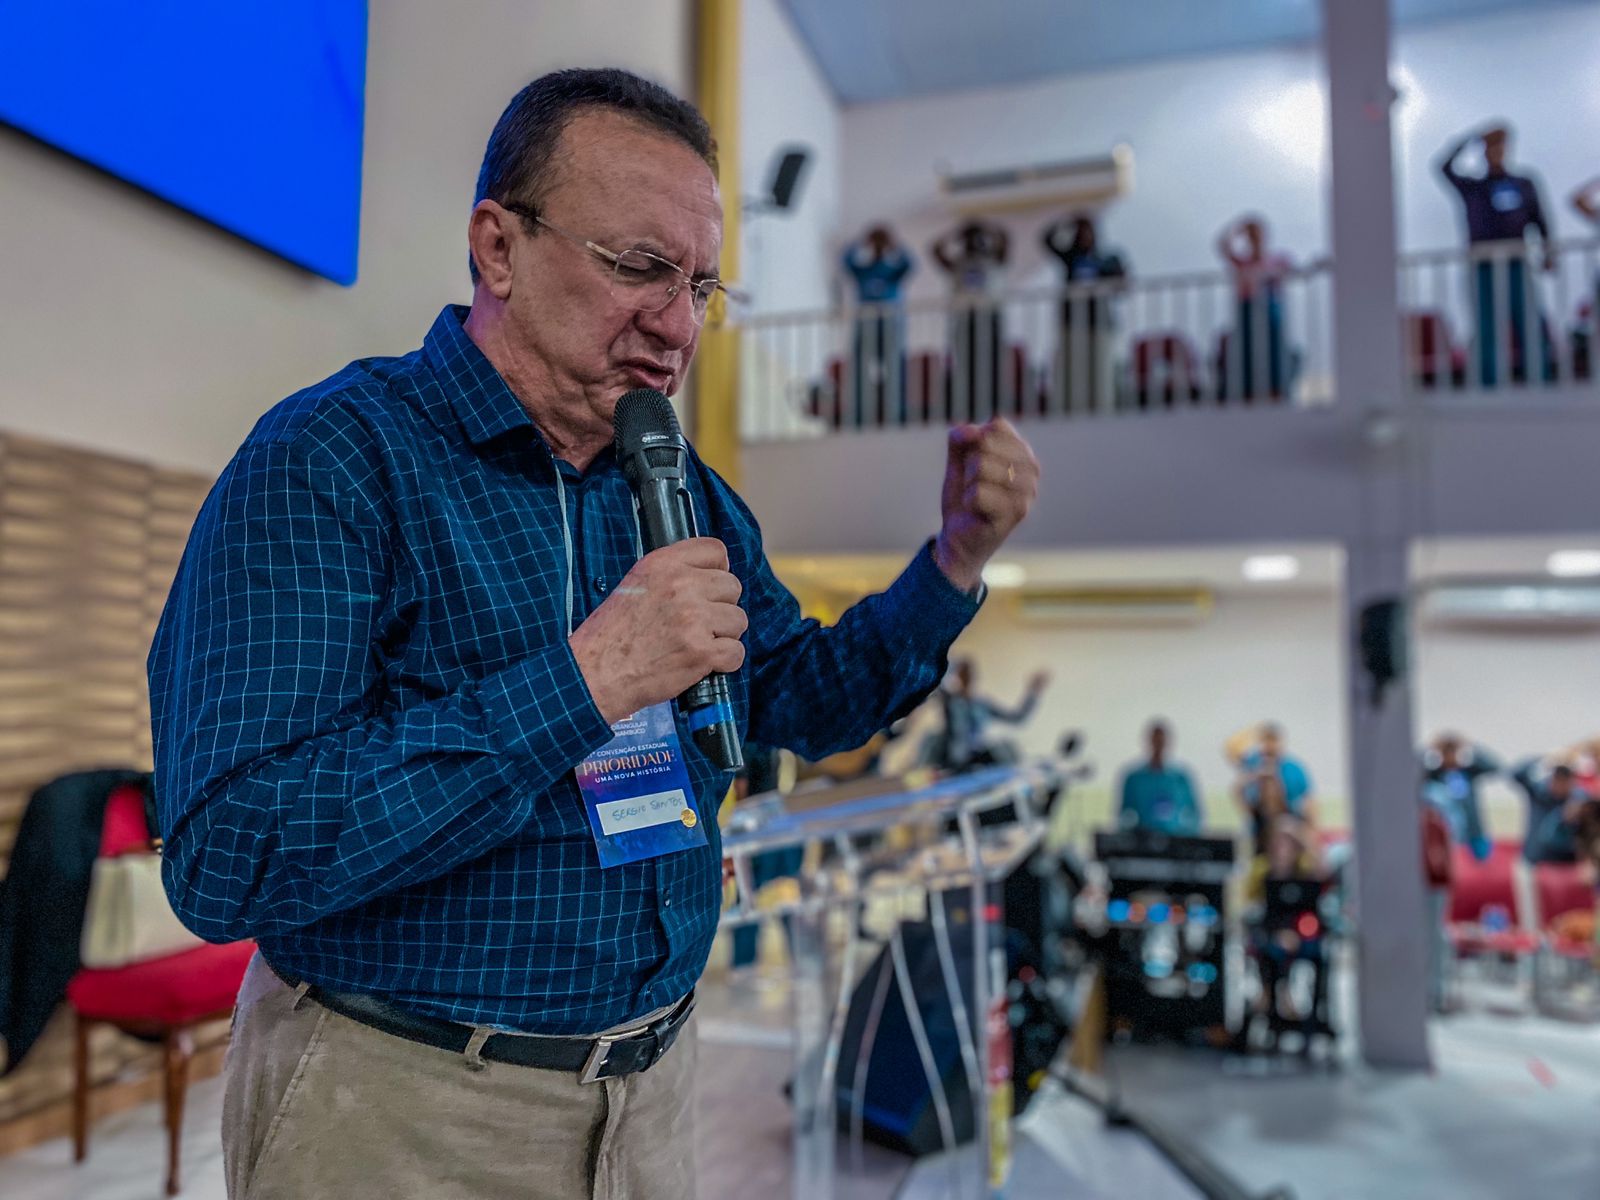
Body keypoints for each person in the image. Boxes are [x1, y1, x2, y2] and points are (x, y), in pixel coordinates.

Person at [147, 68, 1042, 1200]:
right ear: (498, 247)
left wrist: (954, 556)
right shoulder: (332, 459)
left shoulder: (678, 489)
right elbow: (233, 857)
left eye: (702, 285)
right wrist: (591, 676)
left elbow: (800, 700)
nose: (677, 324)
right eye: (639, 268)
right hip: (403, 1104)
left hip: (652, 1093)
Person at [1437, 123, 1555, 387]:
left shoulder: (1523, 183)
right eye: (1491, 147)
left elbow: (1540, 220)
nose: (1496, 151)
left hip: (1516, 260)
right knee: (1486, 325)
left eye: (1500, 146)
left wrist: (1548, 253)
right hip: (1482, 263)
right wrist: (1471, 138)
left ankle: (1539, 379)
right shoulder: (1473, 187)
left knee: (1528, 320)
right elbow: (1442, 167)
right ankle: (1488, 382)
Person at [1042, 214, 1127, 412]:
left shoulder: (1107, 259)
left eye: (1087, 231)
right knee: (1073, 370)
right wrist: (1067, 222)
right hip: (1072, 325)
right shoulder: (1071, 257)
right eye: (1080, 231)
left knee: (1101, 369)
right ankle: (1073, 409)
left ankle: (1103, 408)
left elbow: (1122, 283)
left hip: (1100, 325)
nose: (1084, 236)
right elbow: (1047, 239)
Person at [932, 219, 1010, 421]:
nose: (973, 243)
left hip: (989, 319)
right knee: (966, 366)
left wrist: (986, 229)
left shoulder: (993, 260)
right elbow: (936, 249)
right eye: (969, 239)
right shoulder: (958, 264)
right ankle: (969, 411)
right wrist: (958, 232)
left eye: (977, 239)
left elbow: (1005, 240)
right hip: (965, 320)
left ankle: (993, 412)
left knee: (990, 366)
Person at [841, 225, 914, 425]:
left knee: (894, 369)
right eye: (877, 243)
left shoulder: (892, 271)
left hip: (890, 325)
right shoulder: (863, 270)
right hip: (867, 326)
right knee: (862, 370)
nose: (879, 247)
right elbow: (846, 260)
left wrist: (894, 244)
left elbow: (910, 264)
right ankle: (860, 416)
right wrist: (862, 241)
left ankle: (895, 416)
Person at [1216, 215, 1294, 402]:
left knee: (1273, 347)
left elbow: (1290, 271)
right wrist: (1237, 230)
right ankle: (1249, 389)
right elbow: (1222, 247)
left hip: (1269, 308)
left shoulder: (1276, 260)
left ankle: (1276, 388)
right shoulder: (1243, 262)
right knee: (1247, 348)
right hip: (1247, 309)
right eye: (1252, 236)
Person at [935, 659, 1049, 773]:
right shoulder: (949, 701)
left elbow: (1017, 718)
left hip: (978, 754)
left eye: (967, 674)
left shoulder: (981, 703)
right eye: (961, 674)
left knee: (1006, 747)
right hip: (956, 759)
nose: (965, 679)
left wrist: (1033, 691)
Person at [1224, 721, 1315, 852]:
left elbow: (1310, 808)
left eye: (1273, 741)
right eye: (1265, 741)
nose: (1269, 746)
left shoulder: (1294, 770)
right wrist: (1256, 775)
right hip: (1261, 836)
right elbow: (1237, 790)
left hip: (1290, 829)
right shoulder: (1253, 766)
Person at [1420, 734, 1500, 863]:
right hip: (1449, 833)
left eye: (1453, 752)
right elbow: (1415, 770)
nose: (1450, 757)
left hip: (1475, 829)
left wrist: (1472, 749)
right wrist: (1430, 753)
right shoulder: (1434, 775)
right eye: (1447, 753)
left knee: (1482, 865)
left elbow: (1495, 767)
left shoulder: (1469, 770)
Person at [1117, 719, 1202, 835]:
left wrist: (1186, 835)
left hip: (1175, 842)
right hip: (1143, 842)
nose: (1158, 745)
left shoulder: (1181, 779)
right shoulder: (1134, 779)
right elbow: (1124, 814)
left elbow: (1194, 815)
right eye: (1155, 741)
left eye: (1161, 741)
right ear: (1149, 741)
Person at [1511, 757, 1585, 864]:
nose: (1560, 785)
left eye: (1564, 781)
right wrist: (1543, 758)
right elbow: (1516, 774)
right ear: (1551, 780)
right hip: (1535, 859)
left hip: (1567, 862)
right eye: (1558, 780)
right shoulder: (1538, 793)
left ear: (1572, 782)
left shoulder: (1579, 800)